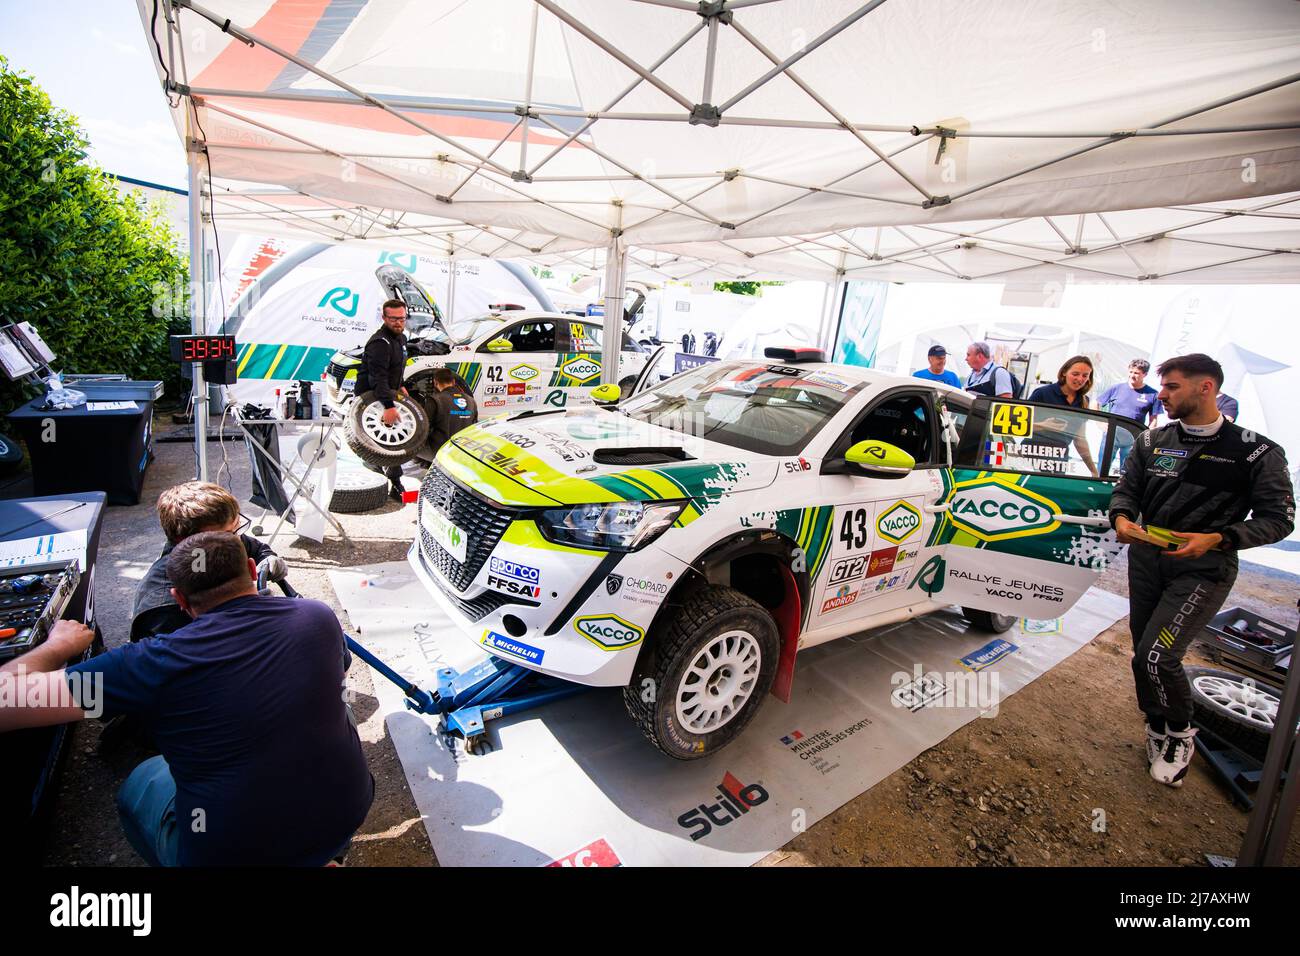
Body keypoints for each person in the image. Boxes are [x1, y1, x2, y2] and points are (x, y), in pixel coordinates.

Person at [0, 531, 375, 865]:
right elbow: (330, 676)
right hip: (346, 810)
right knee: (335, 709)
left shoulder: (147, 665)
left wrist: (57, 647)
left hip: (233, 850)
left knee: (145, 777)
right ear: (249, 567)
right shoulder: (315, 615)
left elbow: (6, 703)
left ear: (178, 598)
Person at [1110, 353, 1293, 788]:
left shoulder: (1256, 451)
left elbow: (1279, 519)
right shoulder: (1152, 440)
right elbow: (1126, 488)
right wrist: (1121, 517)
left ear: (1205, 387)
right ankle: (1156, 727)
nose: (1162, 395)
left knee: (1159, 653)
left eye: (1172, 386)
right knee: (1143, 655)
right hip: (1146, 562)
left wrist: (1219, 538)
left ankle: (1179, 733)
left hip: (1203, 570)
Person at [131, 481, 285, 641]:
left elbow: (255, 548)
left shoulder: (219, 542)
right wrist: (249, 611)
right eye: (227, 534)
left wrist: (267, 558)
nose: (237, 539)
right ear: (186, 541)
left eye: (237, 528)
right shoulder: (164, 610)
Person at [357, 298, 412, 501]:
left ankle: (392, 482)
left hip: (388, 391)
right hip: (371, 397)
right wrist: (388, 406)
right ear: (384, 317)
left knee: (392, 440)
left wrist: (401, 384)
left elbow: (396, 368)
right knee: (381, 441)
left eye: (402, 318)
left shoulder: (401, 339)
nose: (398, 323)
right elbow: (377, 377)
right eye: (393, 319)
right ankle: (382, 480)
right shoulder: (379, 343)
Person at [1027, 355, 1099, 477]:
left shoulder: (1084, 401)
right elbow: (1017, 426)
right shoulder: (1042, 393)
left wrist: (1093, 471)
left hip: (1059, 461)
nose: (1080, 379)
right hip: (1030, 457)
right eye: (1075, 374)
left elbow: (1080, 439)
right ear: (1064, 372)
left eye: (1085, 375)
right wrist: (1043, 426)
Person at [427, 367, 478, 457]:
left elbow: (425, 427)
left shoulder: (435, 400)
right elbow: (474, 426)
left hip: (441, 451)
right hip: (464, 450)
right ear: (454, 382)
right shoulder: (471, 401)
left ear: (435, 383)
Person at [1097, 359, 1163, 427]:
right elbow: (1096, 403)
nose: (1132, 375)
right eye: (1131, 372)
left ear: (1145, 374)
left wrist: (1146, 436)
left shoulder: (1153, 394)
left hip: (1133, 436)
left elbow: (1153, 420)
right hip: (1111, 434)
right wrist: (1100, 423)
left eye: (1136, 373)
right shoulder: (1116, 388)